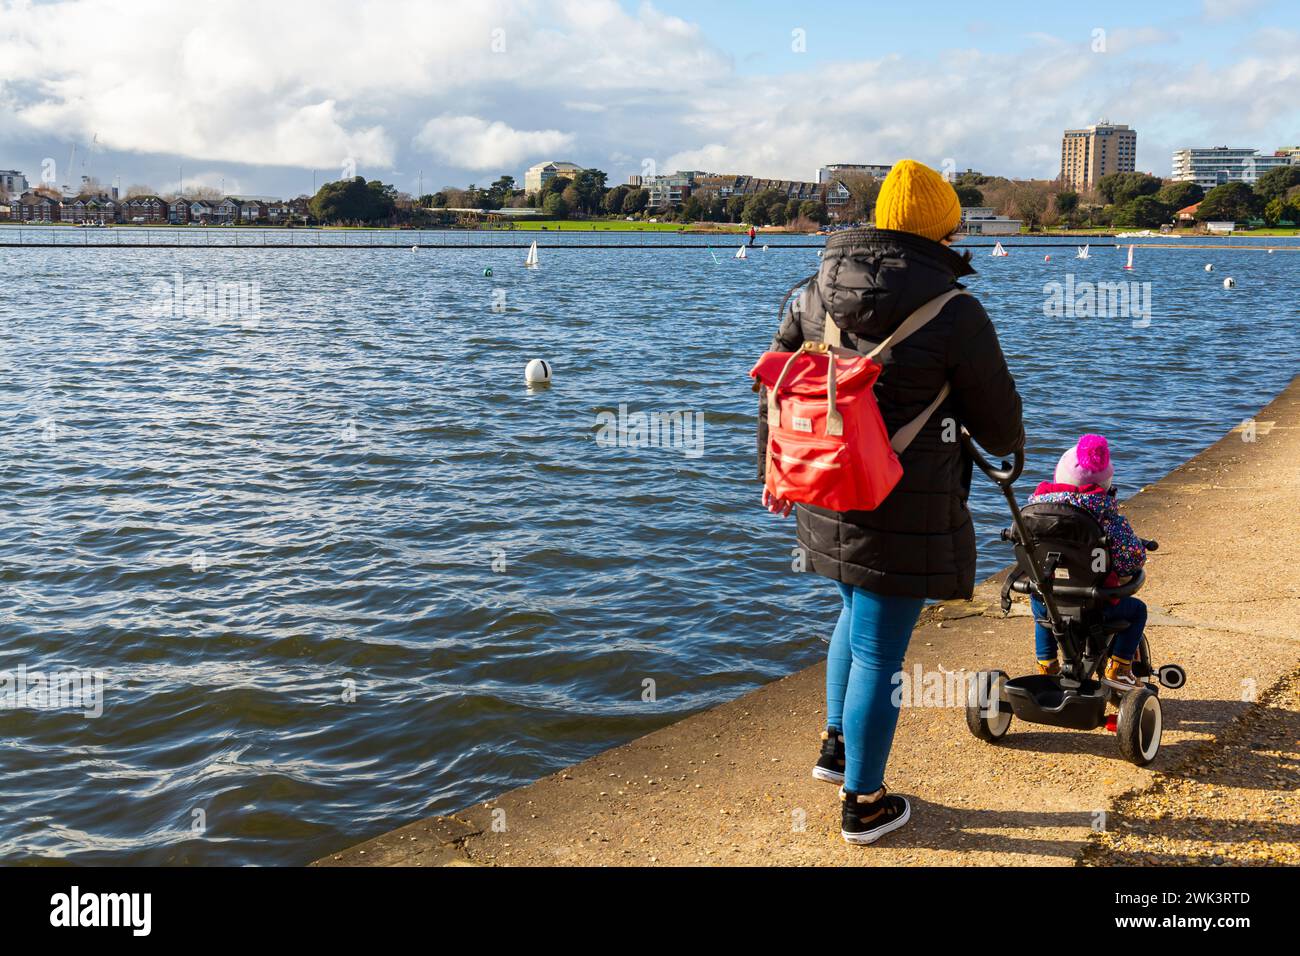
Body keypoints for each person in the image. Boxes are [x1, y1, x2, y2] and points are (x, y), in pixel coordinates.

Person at [758, 159, 1024, 845]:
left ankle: (837, 747)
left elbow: (776, 383)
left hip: (822, 483)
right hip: (903, 499)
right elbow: (996, 423)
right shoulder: (954, 310)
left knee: (852, 609)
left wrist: (772, 464)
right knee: (880, 647)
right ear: (940, 229)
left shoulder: (809, 290)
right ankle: (865, 805)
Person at [1026, 434, 1148, 690]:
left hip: (1052, 602)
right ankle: (1120, 670)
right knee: (1137, 611)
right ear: (1106, 483)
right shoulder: (1107, 518)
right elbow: (1129, 562)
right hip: (1095, 606)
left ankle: (1046, 663)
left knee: (1040, 604)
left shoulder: (1036, 511)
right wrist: (1138, 552)